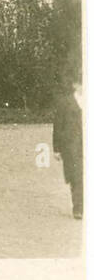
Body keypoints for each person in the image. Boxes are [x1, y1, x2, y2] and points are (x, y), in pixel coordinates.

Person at [52, 83, 84, 219]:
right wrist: (57, 148)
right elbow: (58, 125)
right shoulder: (65, 103)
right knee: (76, 176)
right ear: (76, 85)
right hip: (72, 146)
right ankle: (78, 208)